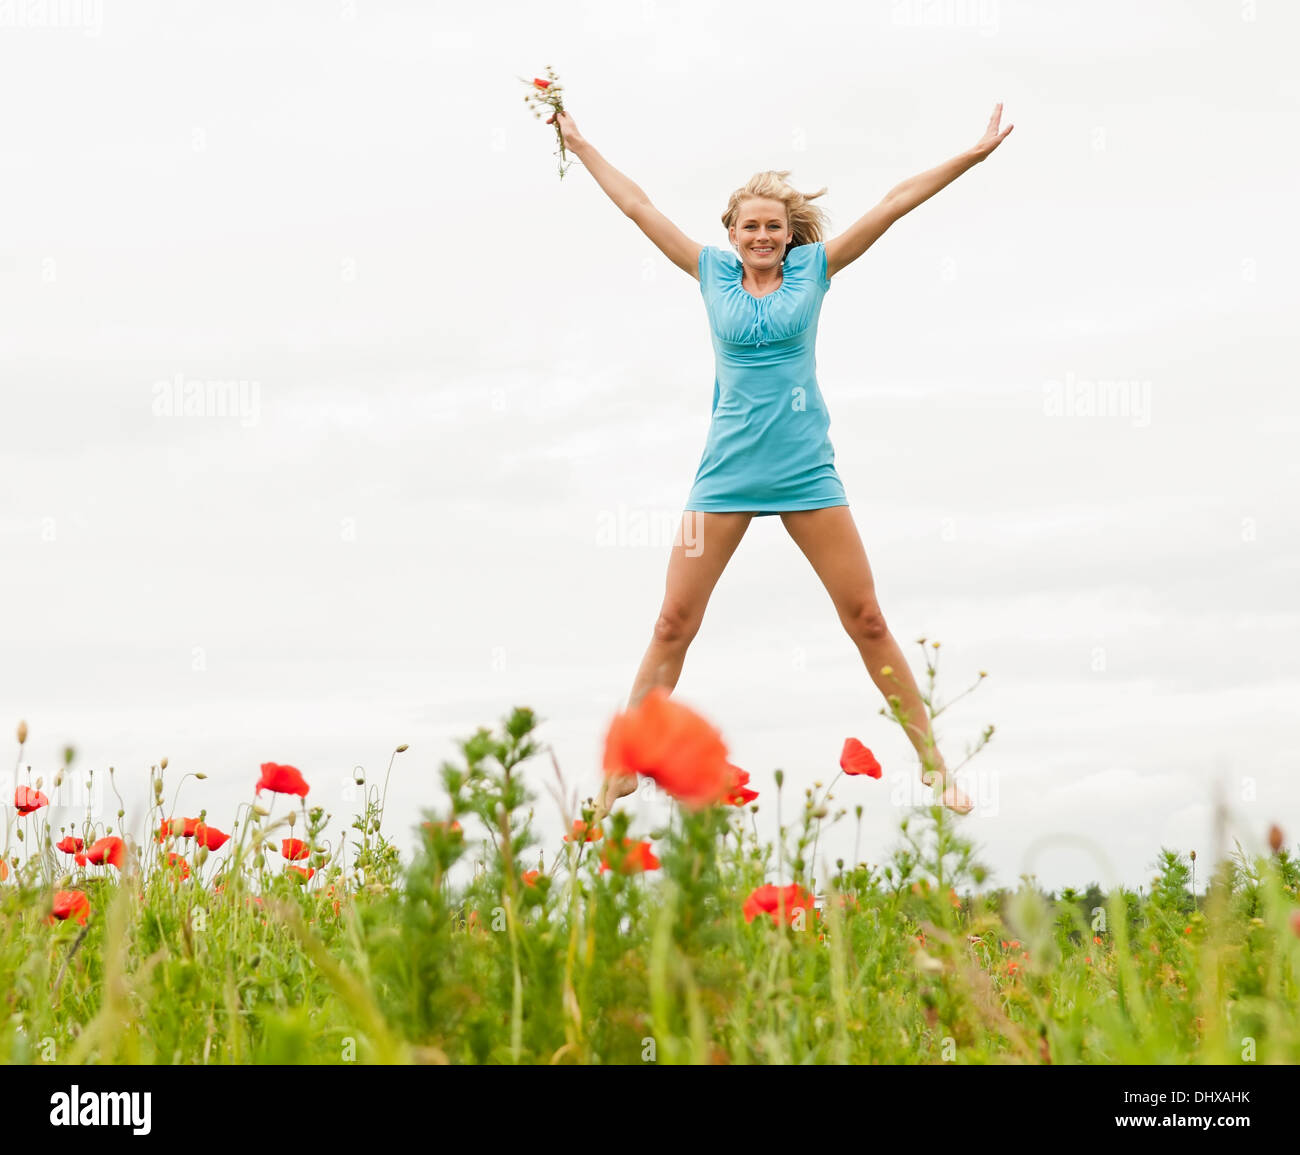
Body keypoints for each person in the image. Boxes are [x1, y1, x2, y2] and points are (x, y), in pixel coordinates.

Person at [547, 104, 1014, 821]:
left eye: (773, 226)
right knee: (673, 621)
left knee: (865, 617)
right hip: (724, 475)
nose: (762, 236)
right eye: (749, 226)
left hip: (805, 473)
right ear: (732, 234)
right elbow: (637, 205)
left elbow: (893, 203)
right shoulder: (709, 272)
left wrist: (972, 157)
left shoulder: (815, 270)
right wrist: (579, 143)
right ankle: (621, 768)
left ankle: (933, 763)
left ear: (789, 234)